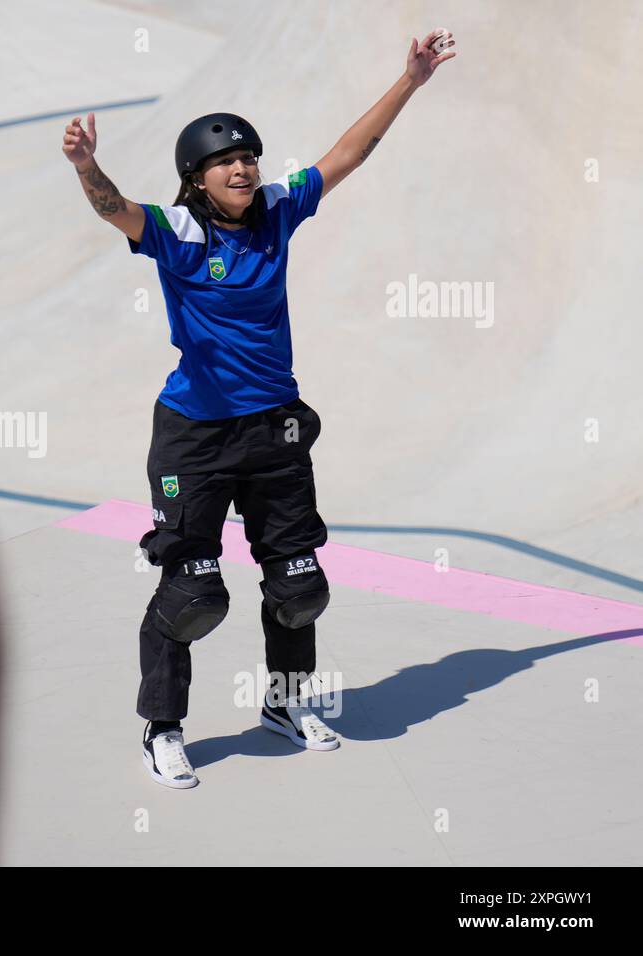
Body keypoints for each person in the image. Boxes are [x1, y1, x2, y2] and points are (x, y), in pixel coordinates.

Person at [62, 31, 456, 788]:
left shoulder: (277, 210)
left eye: (248, 156)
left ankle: (285, 703)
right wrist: (86, 166)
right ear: (198, 179)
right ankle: (164, 727)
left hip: (275, 427)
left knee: (300, 583)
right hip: (195, 437)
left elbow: (349, 154)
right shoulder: (180, 234)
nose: (243, 167)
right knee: (193, 593)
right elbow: (114, 210)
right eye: (225, 161)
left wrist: (410, 81)